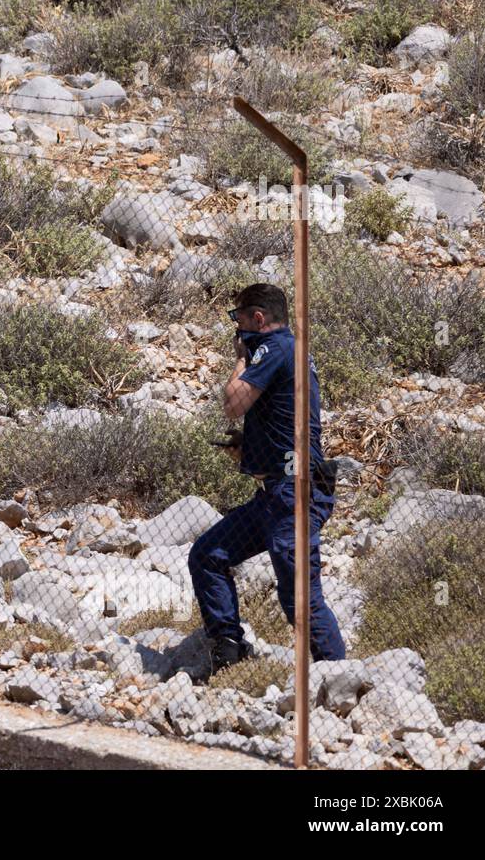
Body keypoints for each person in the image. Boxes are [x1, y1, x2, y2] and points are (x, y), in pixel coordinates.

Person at [188, 283, 346, 678]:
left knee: (300, 600)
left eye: (238, 318)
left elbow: (231, 404)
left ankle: (338, 678)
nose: (235, 326)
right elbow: (282, 419)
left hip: (291, 495)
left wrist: (241, 358)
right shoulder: (289, 351)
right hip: (275, 494)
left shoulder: (270, 348)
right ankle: (228, 646)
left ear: (258, 319)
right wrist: (249, 446)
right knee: (208, 556)